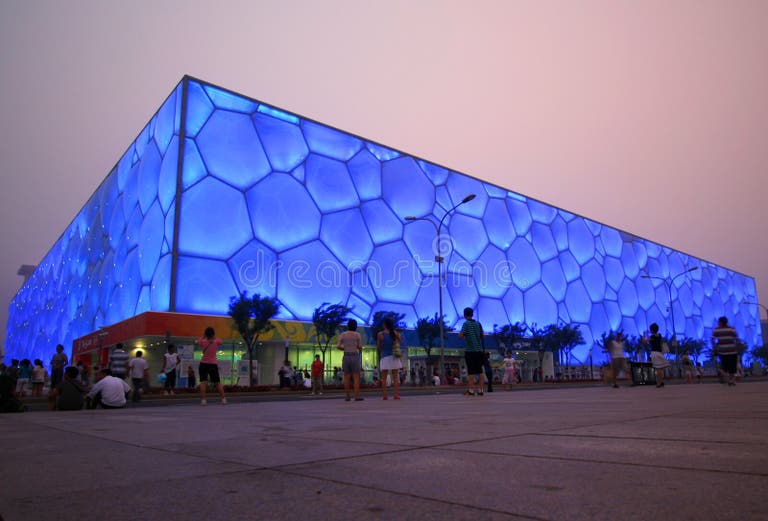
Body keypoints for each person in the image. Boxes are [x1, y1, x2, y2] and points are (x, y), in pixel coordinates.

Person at [196, 327, 226, 405]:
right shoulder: (216, 342)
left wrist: (203, 336)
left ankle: (203, 400)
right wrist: (214, 337)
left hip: (203, 364)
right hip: (213, 364)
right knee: (217, 382)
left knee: (203, 382)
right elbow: (221, 342)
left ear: (206, 334)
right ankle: (223, 399)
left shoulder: (202, 341)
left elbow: (197, 342)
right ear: (213, 334)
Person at [458, 307, 485, 396]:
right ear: (472, 314)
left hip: (470, 351)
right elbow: (483, 335)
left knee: (471, 370)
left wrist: (462, 335)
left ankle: (471, 390)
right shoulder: (478, 324)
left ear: (465, 315)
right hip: (479, 350)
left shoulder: (466, 324)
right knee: (480, 370)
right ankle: (481, 390)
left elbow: (461, 335)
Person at [377, 317, 402, 400]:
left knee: (384, 378)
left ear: (384, 325)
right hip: (394, 356)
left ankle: (385, 396)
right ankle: (396, 395)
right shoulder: (395, 333)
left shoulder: (380, 334)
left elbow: (379, 346)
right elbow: (400, 341)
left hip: (385, 356)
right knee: (395, 377)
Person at [338, 319, 364, 401]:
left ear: (348, 326)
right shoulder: (357, 335)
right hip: (354, 356)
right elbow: (360, 346)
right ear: (355, 326)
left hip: (346, 356)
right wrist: (355, 347)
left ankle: (347, 396)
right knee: (356, 377)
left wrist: (345, 348)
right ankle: (356, 396)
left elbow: (338, 346)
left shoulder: (343, 334)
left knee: (346, 377)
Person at [712, 316, 740, 386]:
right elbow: (736, 339)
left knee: (724, 367)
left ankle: (730, 380)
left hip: (722, 351)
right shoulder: (731, 329)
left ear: (720, 322)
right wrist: (736, 347)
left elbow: (713, 339)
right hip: (732, 351)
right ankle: (731, 380)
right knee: (732, 367)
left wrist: (715, 347)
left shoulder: (717, 330)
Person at [643, 323, 669, 388]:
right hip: (660, 353)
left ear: (651, 330)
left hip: (654, 353)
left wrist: (644, 334)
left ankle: (659, 383)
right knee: (660, 368)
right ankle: (661, 381)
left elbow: (644, 341)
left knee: (658, 369)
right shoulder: (660, 335)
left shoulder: (652, 337)